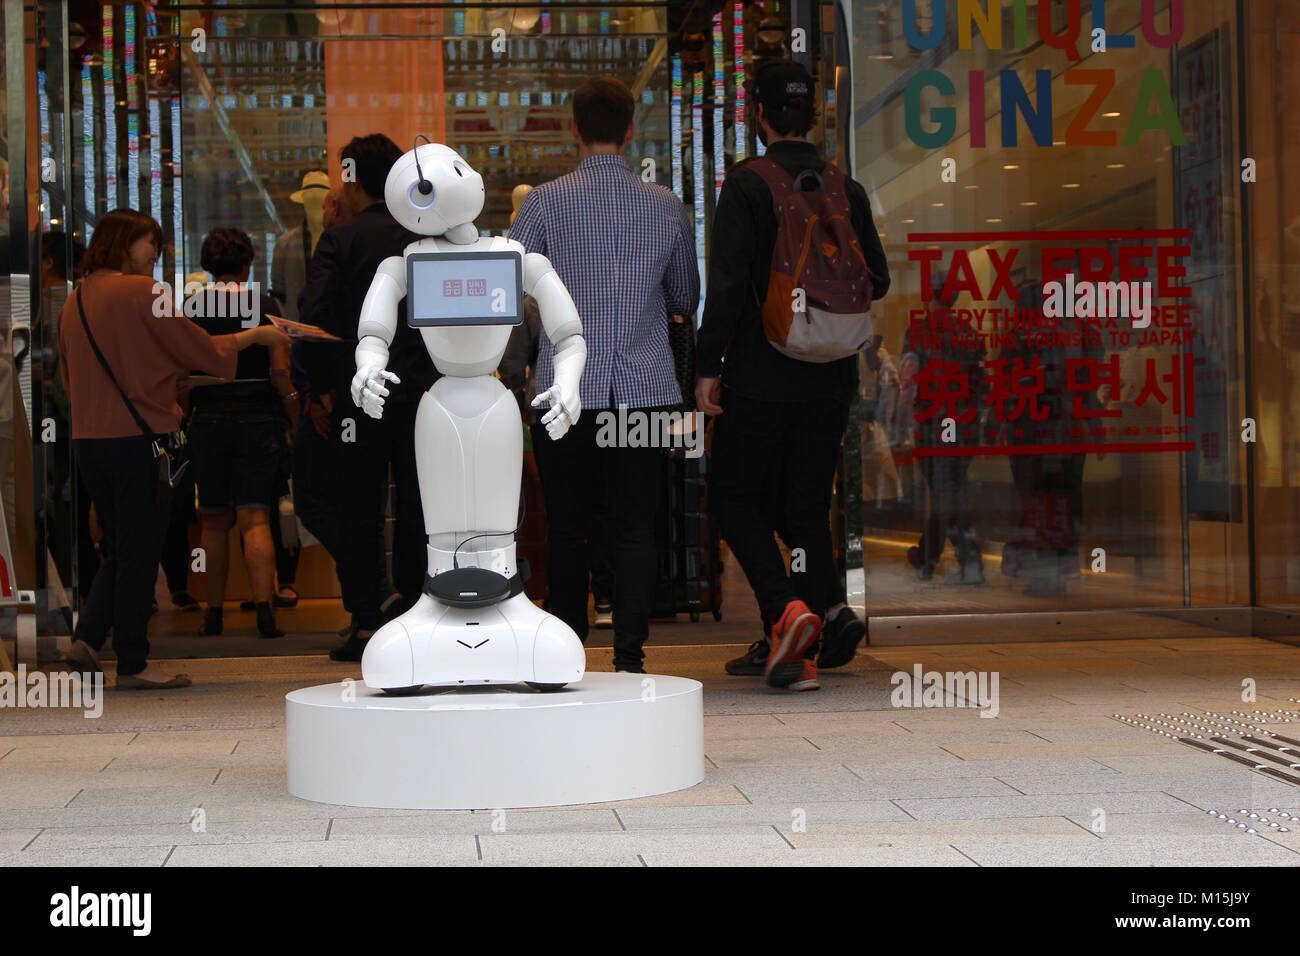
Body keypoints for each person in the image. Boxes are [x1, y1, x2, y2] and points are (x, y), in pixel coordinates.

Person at [696, 60, 889, 691]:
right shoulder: (844, 187)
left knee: (735, 500)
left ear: (758, 115)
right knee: (804, 509)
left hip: (761, 377)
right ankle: (818, 626)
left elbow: (725, 286)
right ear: (814, 117)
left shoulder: (748, 185)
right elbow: (878, 280)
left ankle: (787, 612)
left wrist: (707, 367)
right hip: (830, 380)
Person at [509, 77, 700, 673]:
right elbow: (684, 299)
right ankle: (631, 656)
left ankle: (567, 655)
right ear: (630, 129)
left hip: (562, 397)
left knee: (567, 526)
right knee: (636, 527)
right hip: (643, 397)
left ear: (573, 128)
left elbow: (510, 295)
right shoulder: (666, 206)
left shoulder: (540, 204)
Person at [58, 209, 288, 689]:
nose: (156, 257)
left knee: (122, 545)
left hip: (90, 441)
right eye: (151, 246)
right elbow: (202, 350)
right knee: (140, 549)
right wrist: (260, 335)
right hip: (141, 440)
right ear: (123, 243)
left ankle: (86, 640)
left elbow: (73, 377)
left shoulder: (74, 302)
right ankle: (134, 663)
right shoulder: (145, 293)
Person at [299, 134, 435, 662]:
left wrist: (320, 387)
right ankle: (415, 609)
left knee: (358, 506)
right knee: (418, 505)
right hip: (424, 391)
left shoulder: (340, 239)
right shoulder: (427, 235)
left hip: (359, 396)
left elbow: (313, 317)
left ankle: (366, 617)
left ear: (354, 178)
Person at [186, 228, 297, 638]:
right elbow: (280, 371)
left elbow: (183, 372)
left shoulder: (194, 306)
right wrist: (293, 411)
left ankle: (213, 614)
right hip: (257, 417)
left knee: (213, 523)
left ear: (207, 264)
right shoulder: (263, 305)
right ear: (248, 262)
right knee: (255, 519)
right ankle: (265, 612)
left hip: (208, 418)